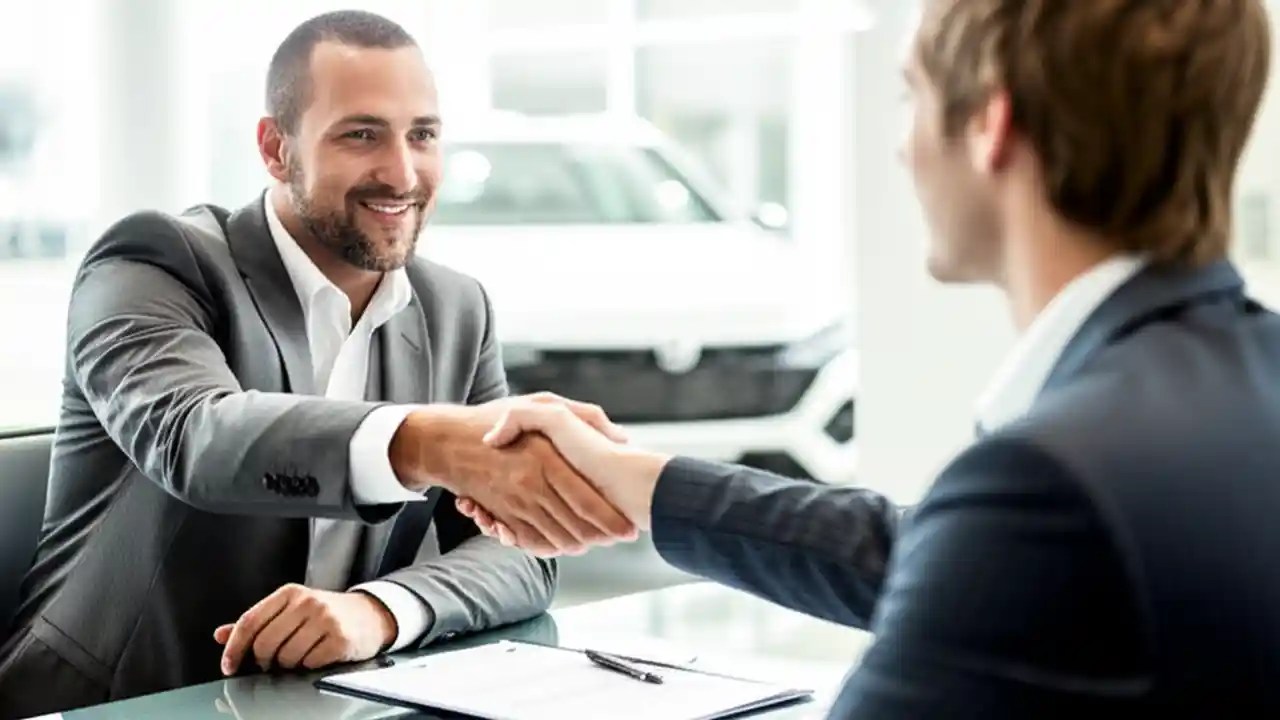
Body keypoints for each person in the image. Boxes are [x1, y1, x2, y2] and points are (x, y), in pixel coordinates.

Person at [457, 0, 1280, 716]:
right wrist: (642, 484)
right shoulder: (1245, 380)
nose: (903, 146)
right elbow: (931, 556)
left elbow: (987, 552)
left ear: (991, 126)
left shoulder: (1051, 481)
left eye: (911, 95)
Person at [0, 11, 635, 717]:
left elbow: (518, 553)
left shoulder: (457, 307)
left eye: (422, 135)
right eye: (361, 134)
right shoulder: (154, 261)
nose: (402, 173)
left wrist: (379, 610)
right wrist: (426, 443)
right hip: (120, 701)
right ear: (276, 149)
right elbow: (195, 437)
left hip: (323, 705)